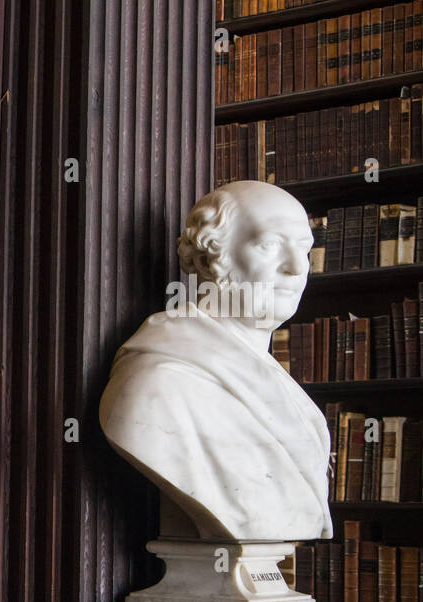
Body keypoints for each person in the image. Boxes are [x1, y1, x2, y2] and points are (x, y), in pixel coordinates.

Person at [99, 180, 333, 543]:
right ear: (213, 258)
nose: (295, 268)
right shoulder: (159, 383)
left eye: (304, 249)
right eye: (270, 245)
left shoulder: (285, 390)